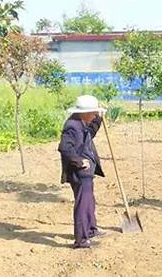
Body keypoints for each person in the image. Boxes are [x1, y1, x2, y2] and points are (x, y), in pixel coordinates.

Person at [58, 95, 107, 249]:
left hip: (86, 172)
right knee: (82, 205)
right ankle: (81, 239)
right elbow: (65, 148)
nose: (94, 116)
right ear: (84, 112)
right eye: (93, 113)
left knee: (89, 202)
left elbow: (90, 133)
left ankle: (91, 230)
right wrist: (79, 162)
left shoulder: (82, 122)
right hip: (79, 172)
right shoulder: (72, 126)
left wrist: (99, 119)